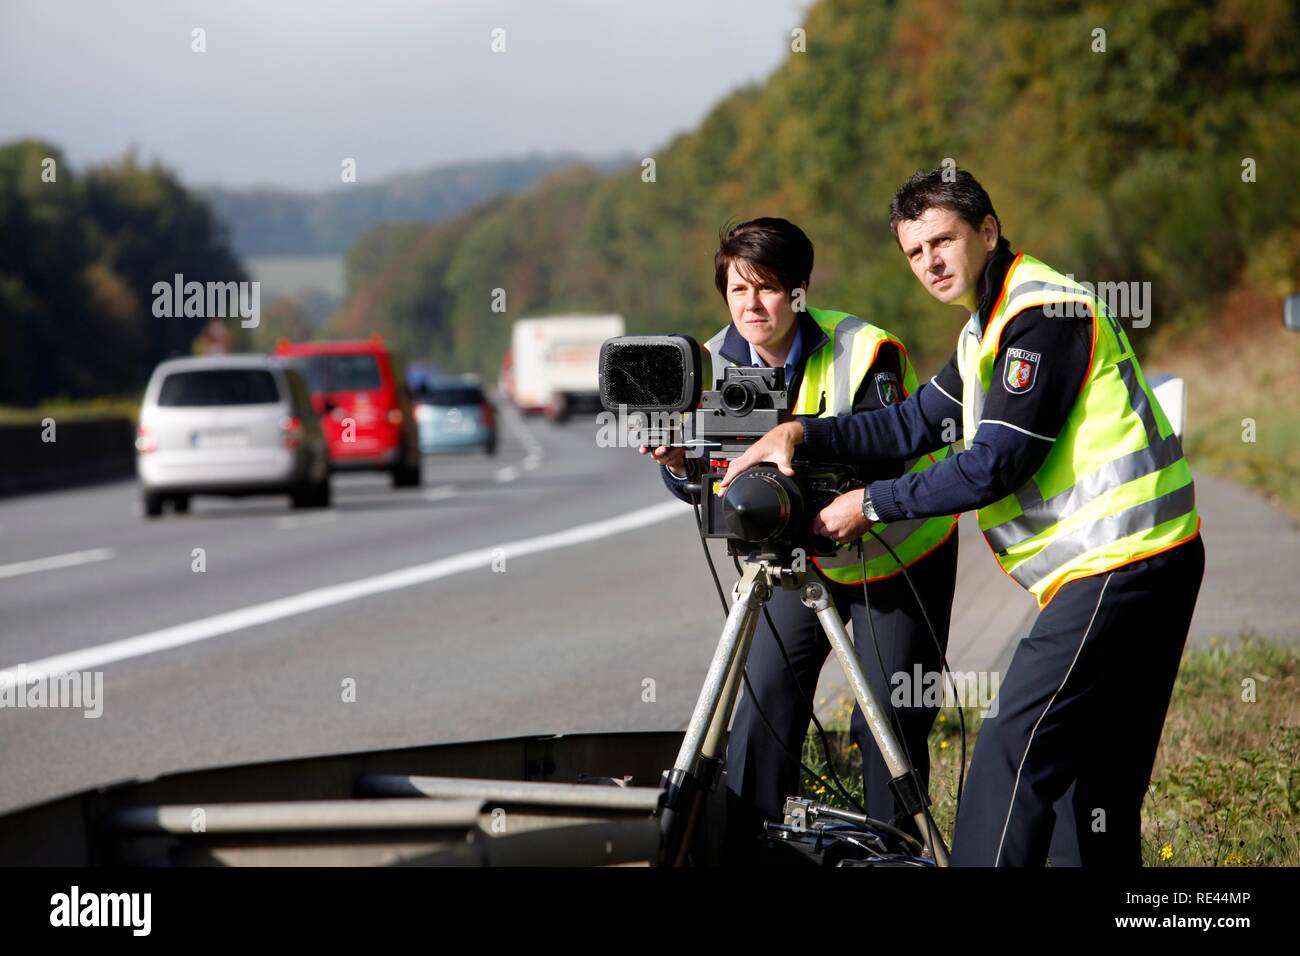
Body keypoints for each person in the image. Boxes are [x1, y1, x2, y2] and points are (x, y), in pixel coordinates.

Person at [719, 170, 1204, 867]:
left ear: (987, 231)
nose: (930, 263)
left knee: (1014, 747)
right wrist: (804, 433)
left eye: (942, 241)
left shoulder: (1042, 316)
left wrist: (873, 503)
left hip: (1123, 560)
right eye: (915, 253)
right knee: (1091, 787)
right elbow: (916, 422)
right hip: (1139, 561)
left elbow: (991, 465)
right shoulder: (988, 326)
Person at [641, 217, 960, 860]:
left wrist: (794, 441)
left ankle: (894, 857)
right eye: (737, 291)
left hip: (894, 553)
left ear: (801, 291)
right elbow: (716, 488)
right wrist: (681, 465)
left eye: (767, 288)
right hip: (792, 560)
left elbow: (885, 454)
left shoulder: (865, 349)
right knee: (760, 717)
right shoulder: (710, 364)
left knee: (886, 727)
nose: (751, 305)